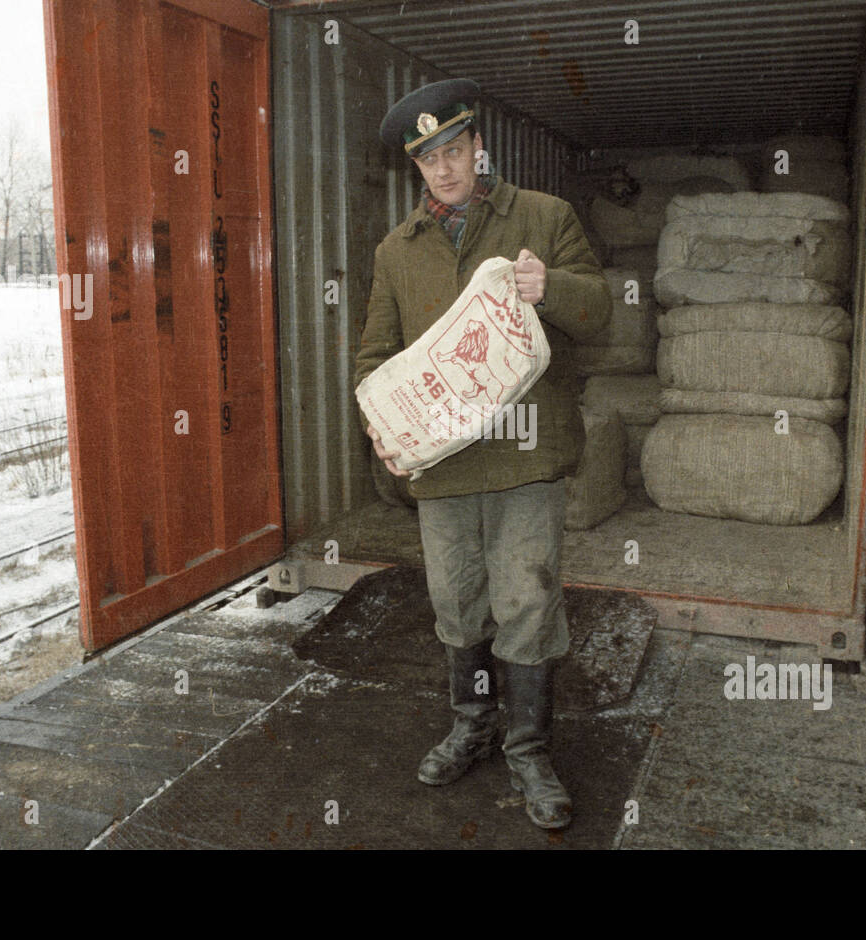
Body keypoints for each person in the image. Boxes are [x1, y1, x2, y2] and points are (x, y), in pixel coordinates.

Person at [352, 78, 610, 830]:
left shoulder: (543, 217)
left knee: (526, 600)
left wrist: (550, 286)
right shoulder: (396, 252)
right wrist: (384, 426)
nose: (444, 170)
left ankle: (529, 749)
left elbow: (598, 314)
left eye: (454, 151)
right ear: (417, 168)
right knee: (457, 604)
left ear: (476, 148)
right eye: (428, 160)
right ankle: (475, 726)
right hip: (445, 465)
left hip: (525, 456)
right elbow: (375, 357)